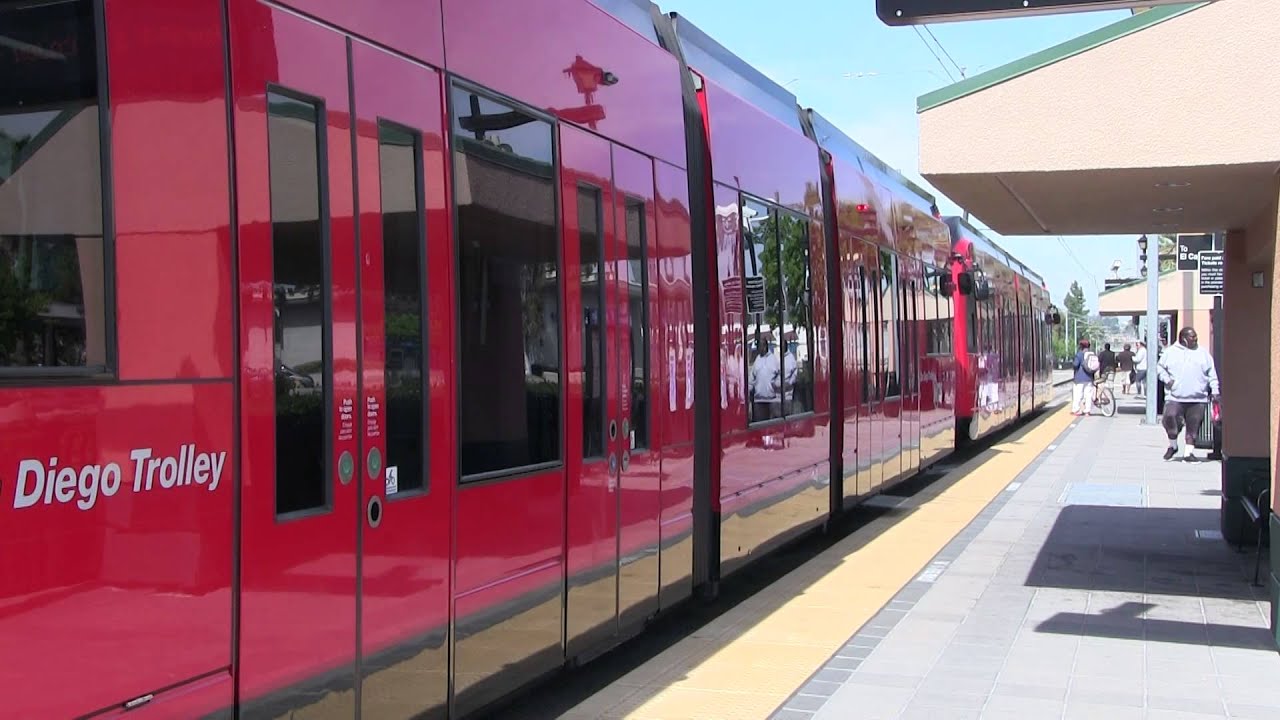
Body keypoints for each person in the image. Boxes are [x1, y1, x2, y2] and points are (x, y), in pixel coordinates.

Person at [1156, 327, 1220, 461]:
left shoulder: (1203, 353)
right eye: (1192, 337)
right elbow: (1159, 367)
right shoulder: (1170, 352)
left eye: (1195, 336)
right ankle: (1173, 446)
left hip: (1198, 398)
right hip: (1175, 397)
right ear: (1183, 338)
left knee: (1193, 426)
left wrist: (1215, 391)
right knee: (1169, 418)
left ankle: (1188, 453)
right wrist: (1167, 381)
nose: (1195, 339)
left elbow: (1211, 374)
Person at [1071, 339, 1098, 416]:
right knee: (1088, 395)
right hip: (1089, 378)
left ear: (1081, 346)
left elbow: (1076, 365)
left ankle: (1076, 410)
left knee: (1078, 394)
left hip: (1079, 378)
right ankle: (1087, 411)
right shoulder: (1092, 354)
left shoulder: (1079, 354)